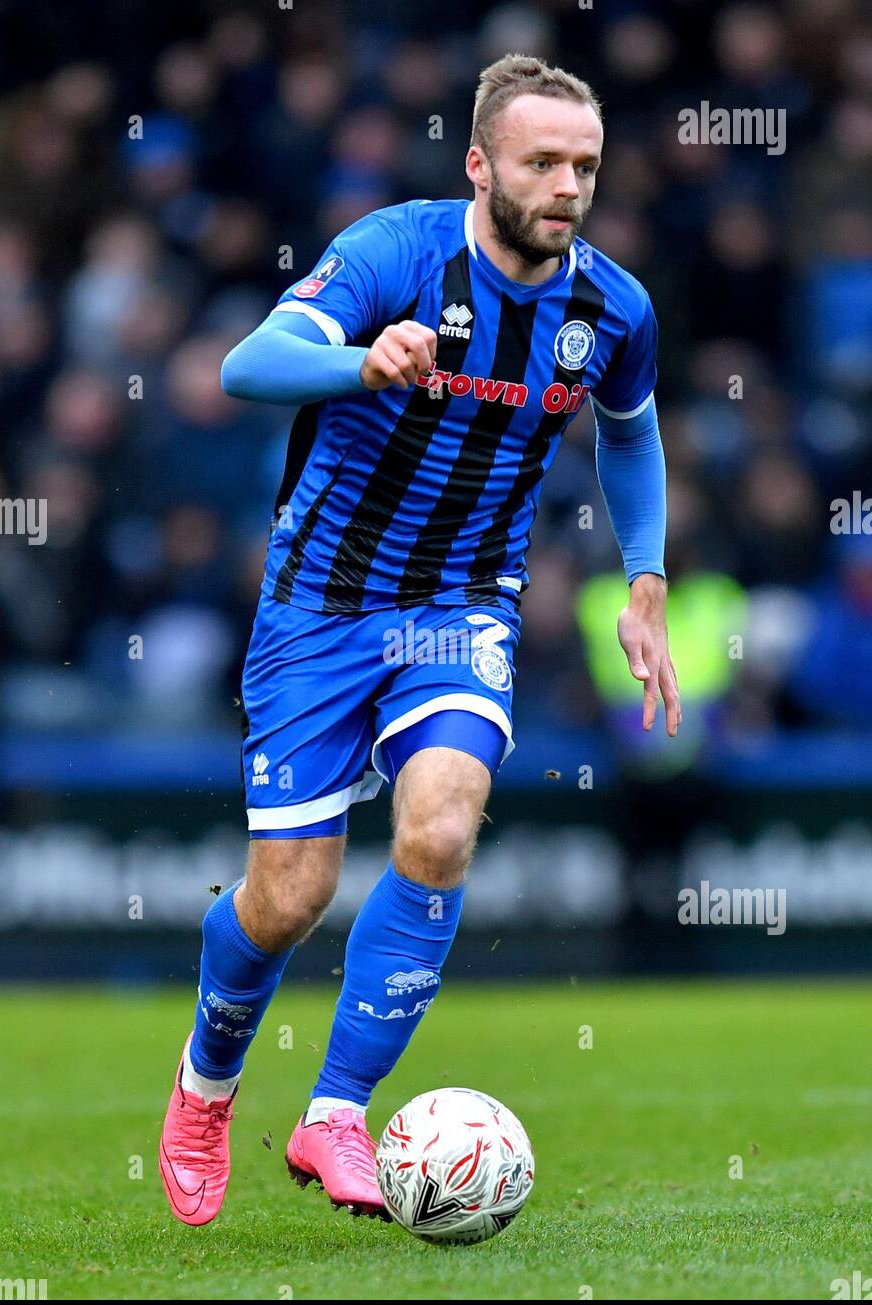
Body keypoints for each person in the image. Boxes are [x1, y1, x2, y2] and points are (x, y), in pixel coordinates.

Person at [159, 53, 680, 1226]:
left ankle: (336, 1111)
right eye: (543, 162)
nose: (568, 186)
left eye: (586, 165)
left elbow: (631, 436)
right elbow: (245, 367)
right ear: (481, 163)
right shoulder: (395, 251)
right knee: (288, 896)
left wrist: (645, 578)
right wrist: (362, 358)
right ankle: (207, 1082)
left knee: (441, 825)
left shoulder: (614, 309)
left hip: (463, 605)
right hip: (322, 606)